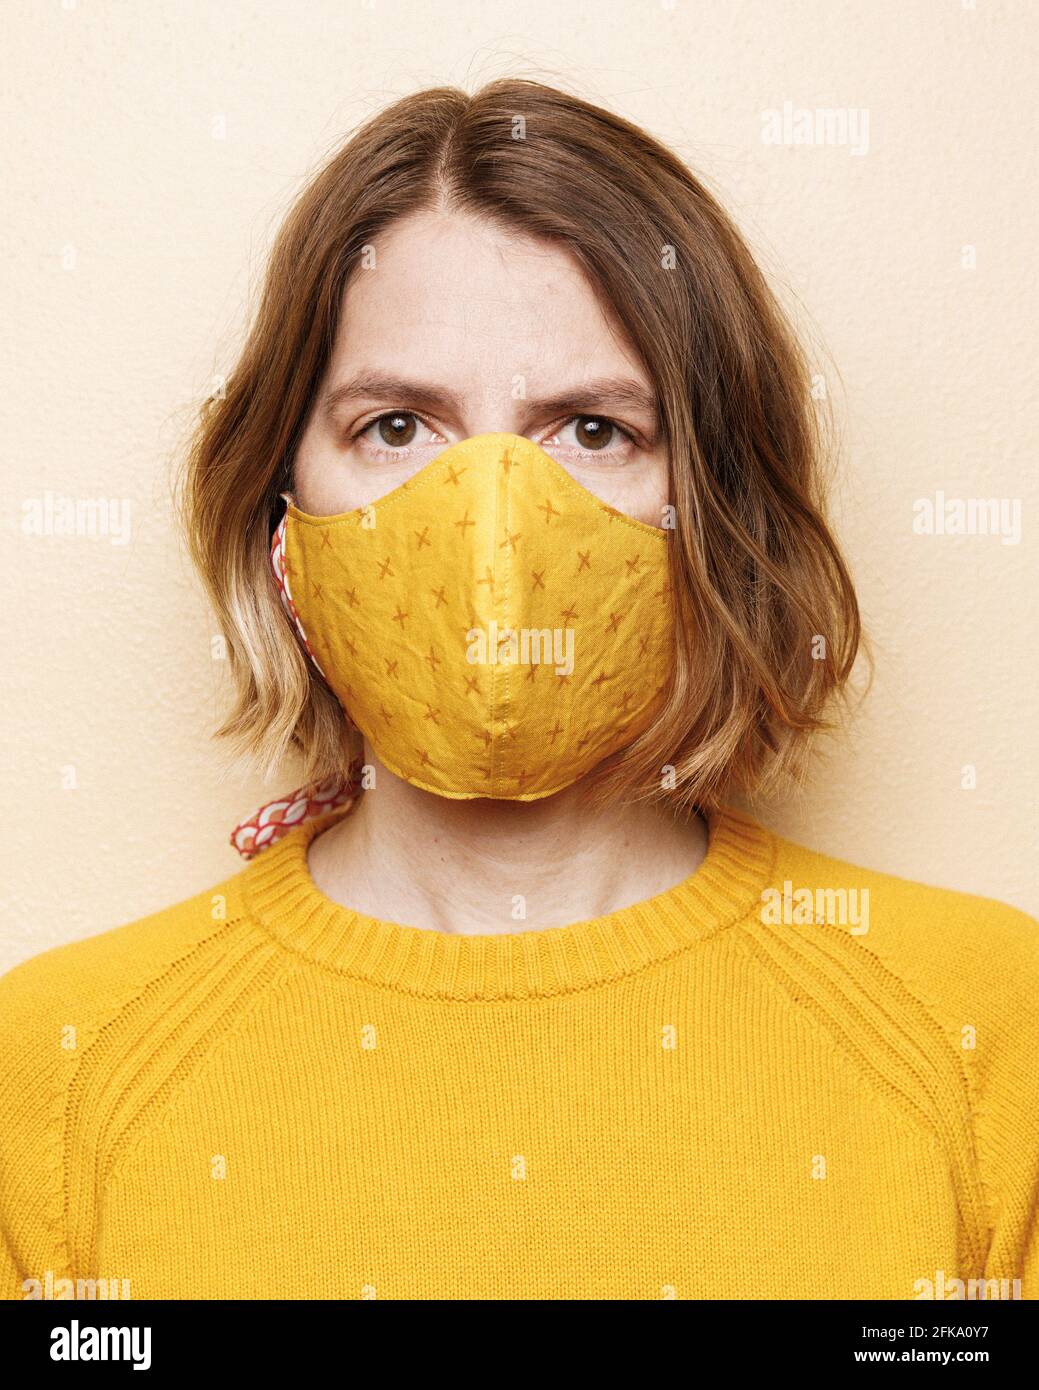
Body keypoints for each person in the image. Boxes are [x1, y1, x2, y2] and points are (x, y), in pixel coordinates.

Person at [2, 79, 1036, 1302]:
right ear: (282, 511)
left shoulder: (985, 1028)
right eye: (395, 425)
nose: (490, 520)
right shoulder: (59, 1065)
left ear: (712, 509)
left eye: (592, 431)